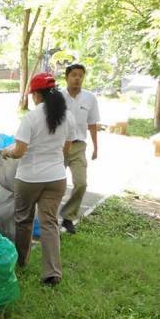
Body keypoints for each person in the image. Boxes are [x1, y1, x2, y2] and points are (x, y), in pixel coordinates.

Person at [0, 72, 74, 286]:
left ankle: (21, 261)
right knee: (49, 223)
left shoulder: (31, 118)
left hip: (29, 178)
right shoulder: (67, 116)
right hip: (57, 177)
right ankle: (52, 272)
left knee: (23, 220)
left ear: (37, 95)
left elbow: (20, 151)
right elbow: (67, 148)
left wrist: (7, 153)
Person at [60, 63, 100, 234]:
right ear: (67, 77)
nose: (77, 78)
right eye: (74, 75)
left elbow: (92, 124)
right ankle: (46, 218)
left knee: (81, 183)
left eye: (80, 75)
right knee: (53, 184)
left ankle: (68, 217)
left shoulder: (90, 98)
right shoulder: (58, 97)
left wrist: (96, 148)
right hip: (58, 146)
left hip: (78, 147)